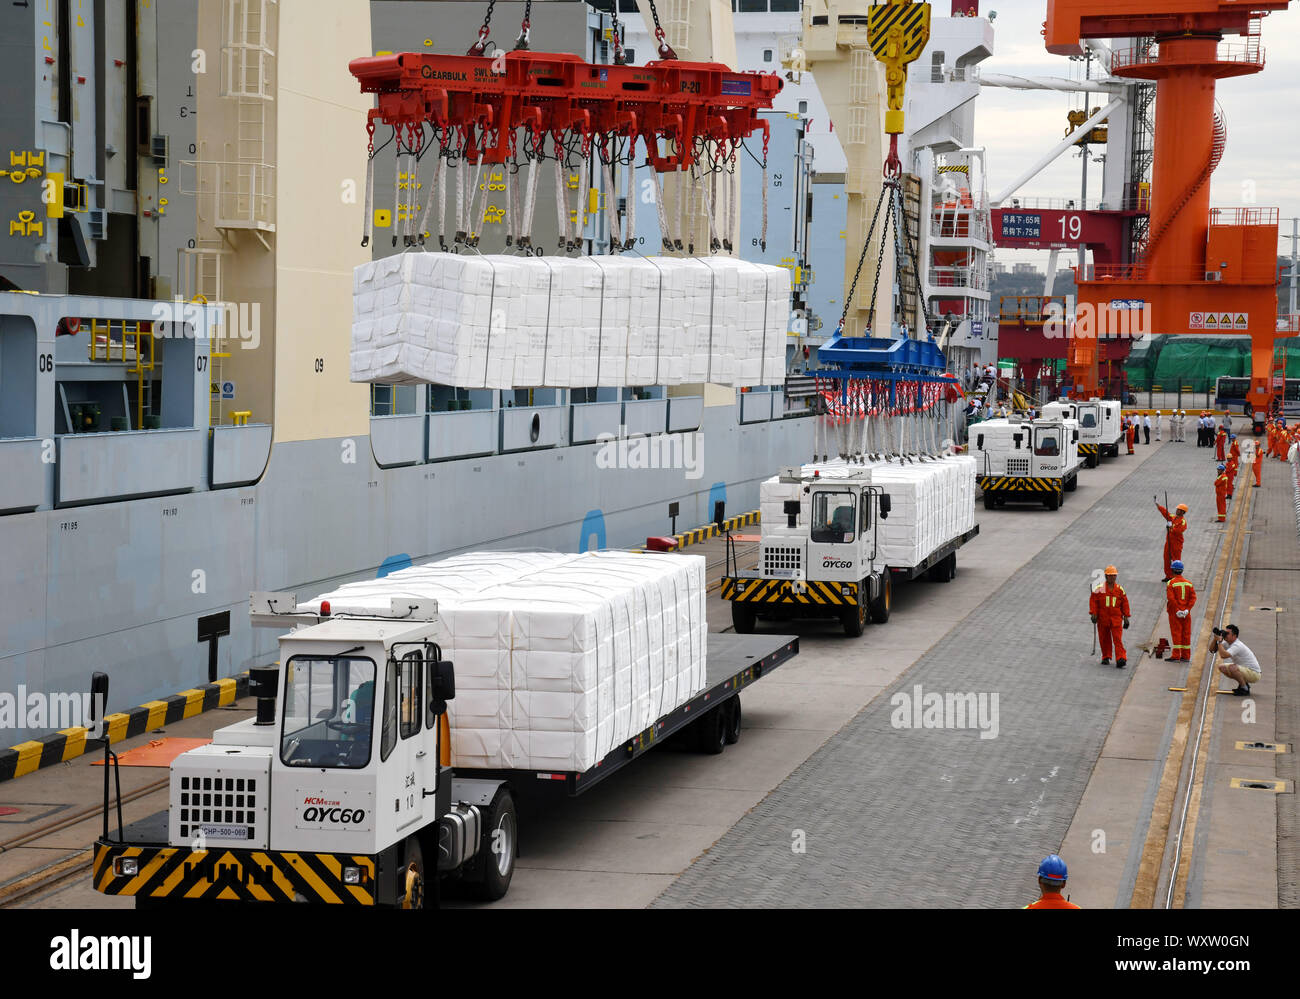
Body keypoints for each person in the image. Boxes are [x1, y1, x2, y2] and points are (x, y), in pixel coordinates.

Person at [1090, 565, 1131, 668]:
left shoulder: (1120, 590)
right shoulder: (1099, 589)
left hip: (1116, 620)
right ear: (1106, 576)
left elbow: (1125, 603)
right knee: (1104, 639)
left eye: (1114, 576)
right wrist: (1093, 613)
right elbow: (1093, 601)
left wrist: (1126, 617)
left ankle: (1121, 658)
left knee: (1117, 640)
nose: (1112, 578)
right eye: (1110, 576)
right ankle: (1106, 656)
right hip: (1103, 619)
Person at [1212, 624, 1261, 697]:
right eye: (1225, 632)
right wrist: (1215, 639)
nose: (1225, 635)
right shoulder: (1227, 643)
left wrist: (1219, 642)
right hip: (1246, 670)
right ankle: (1243, 684)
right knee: (1222, 667)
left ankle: (1245, 689)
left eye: (1228, 633)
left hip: (1254, 673)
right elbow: (1212, 650)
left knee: (1232, 668)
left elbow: (1223, 656)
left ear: (1234, 636)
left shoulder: (1237, 645)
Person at [1165, 561, 1196, 662]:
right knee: (1186, 634)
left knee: (1176, 633)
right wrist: (1187, 609)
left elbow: (1171, 598)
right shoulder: (1189, 583)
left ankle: (1176, 655)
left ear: (1172, 570)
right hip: (1186, 614)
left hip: (1175, 613)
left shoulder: (1171, 583)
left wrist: (1178, 610)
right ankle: (1186, 656)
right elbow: (1193, 598)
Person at [1155, 499, 1188, 580]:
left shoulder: (1183, 522)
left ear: (1183, 512)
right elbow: (1166, 514)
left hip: (1176, 544)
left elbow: (1178, 531)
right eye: (1177, 509)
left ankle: (1176, 577)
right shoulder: (1173, 517)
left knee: (1176, 560)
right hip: (1169, 542)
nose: (1177, 511)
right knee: (1166, 559)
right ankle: (1168, 576)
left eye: (1179, 510)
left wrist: (1170, 527)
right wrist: (1159, 507)